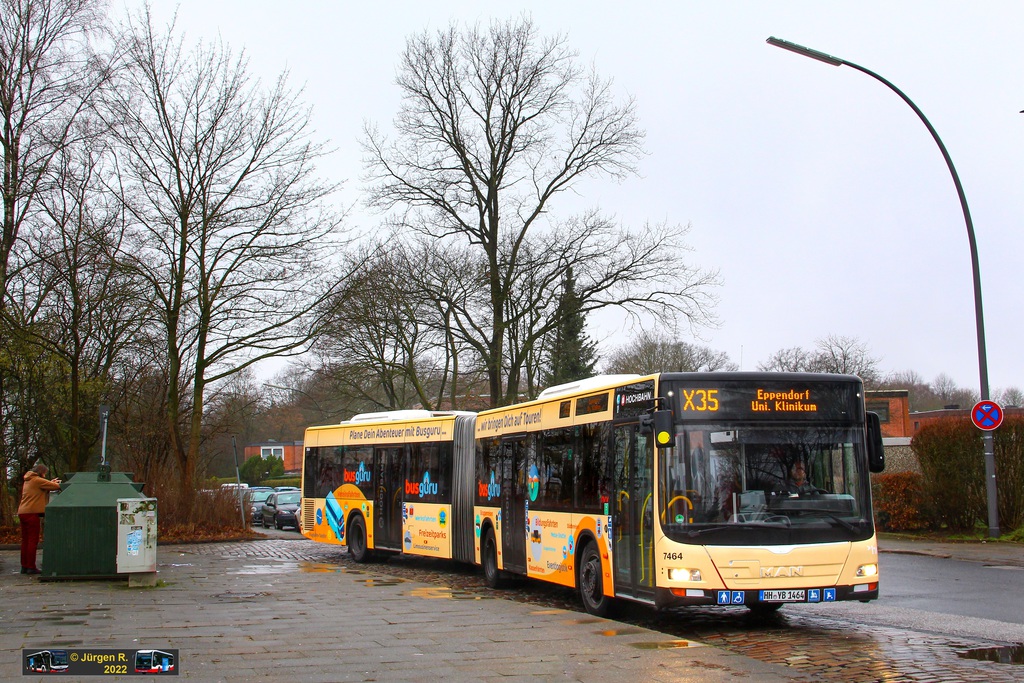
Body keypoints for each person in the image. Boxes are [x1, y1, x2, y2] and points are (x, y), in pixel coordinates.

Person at [18, 464, 62, 574]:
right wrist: (56, 483)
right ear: (41, 472)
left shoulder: (29, 479)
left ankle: (24, 565)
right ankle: (31, 567)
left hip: (23, 512)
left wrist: (51, 482)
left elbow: (43, 486)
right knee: (33, 540)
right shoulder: (37, 480)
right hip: (31, 513)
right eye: (45, 473)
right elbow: (56, 487)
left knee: (25, 541)